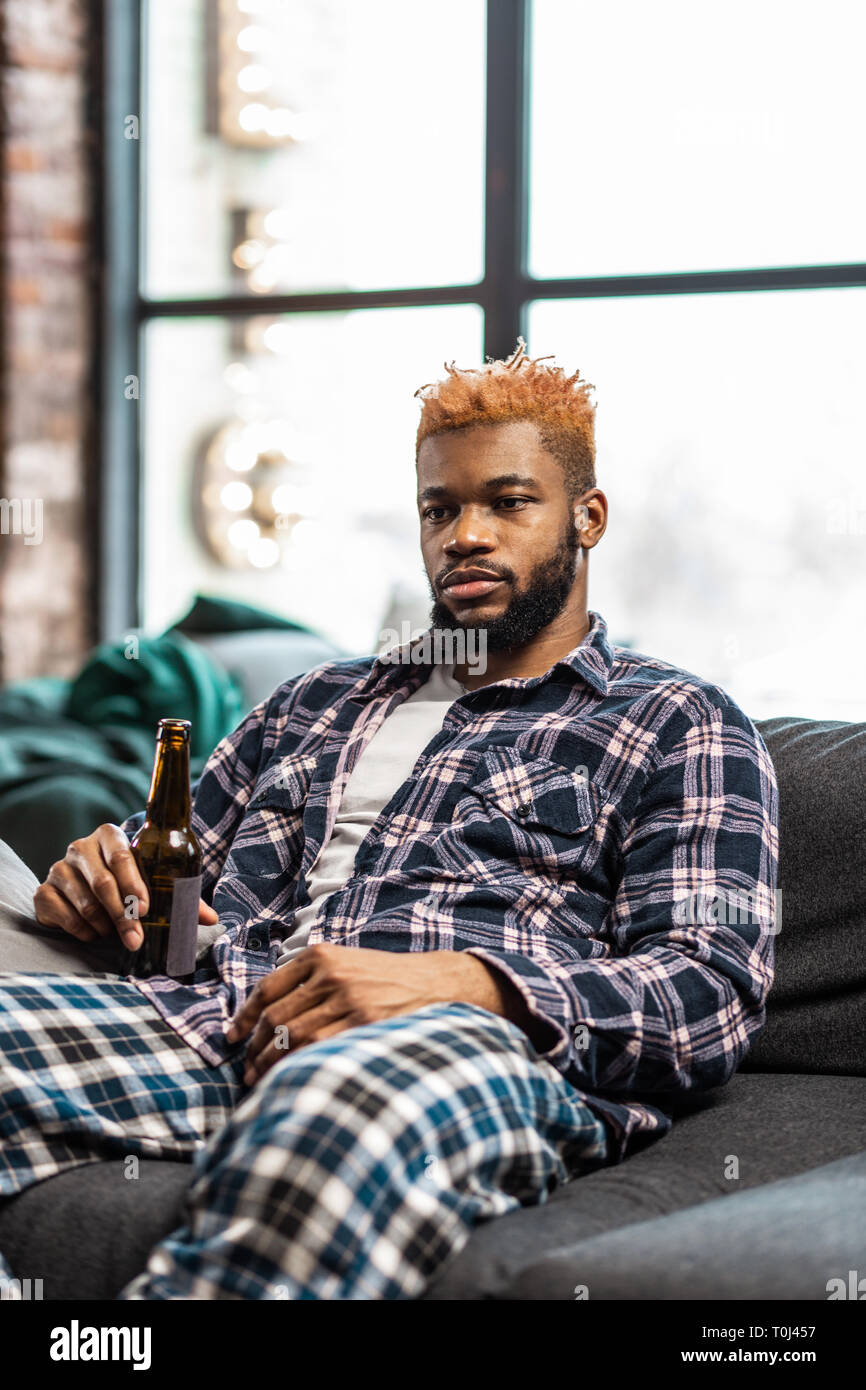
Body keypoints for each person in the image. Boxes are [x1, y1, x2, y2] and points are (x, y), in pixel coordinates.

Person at [0, 338, 779, 1300]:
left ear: (589, 517)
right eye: (439, 509)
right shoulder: (311, 703)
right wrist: (101, 880)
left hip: (457, 1050)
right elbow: (165, 892)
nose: (466, 535)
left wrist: (458, 982)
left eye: (508, 501)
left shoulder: (677, 722)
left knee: (340, 1111)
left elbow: (707, 997)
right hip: (213, 1021)